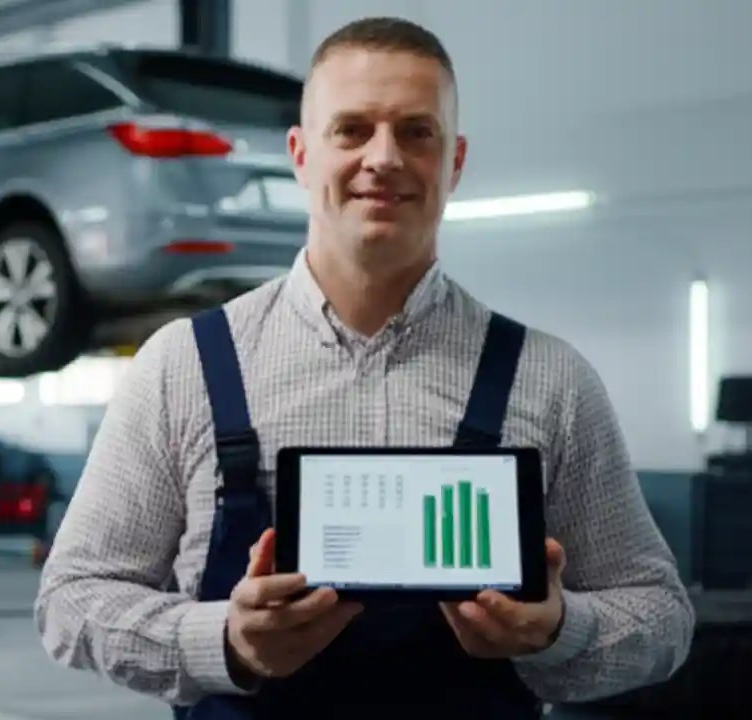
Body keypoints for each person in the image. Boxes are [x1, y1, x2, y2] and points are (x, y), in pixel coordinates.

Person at [34, 15, 694, 718]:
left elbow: (661, 617)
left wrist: (559, 633)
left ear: (455, 160)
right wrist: (223, 639)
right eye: (352, 130)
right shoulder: (184, 367)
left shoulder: (551, 381)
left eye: (417, 131)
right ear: (300, 153)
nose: (384, 157)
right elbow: (73, 601)